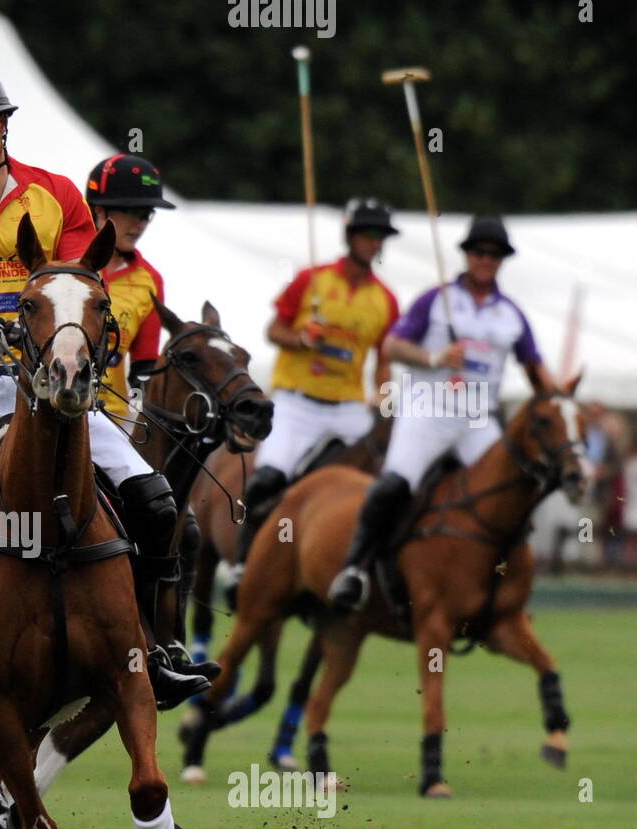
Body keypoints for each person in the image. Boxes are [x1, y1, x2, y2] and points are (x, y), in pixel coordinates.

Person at [0, 65, 212, 709]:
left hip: (46, 390)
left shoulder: (56, 193)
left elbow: (84, 282)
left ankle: (158, 645)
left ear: (4, 125)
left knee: (154, 498)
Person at [329, 215, 559, 608]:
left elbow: (535, 368)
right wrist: (436, 356)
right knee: (394, 485)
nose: (486, 259)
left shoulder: (511, 315)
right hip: (426, 411)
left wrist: (562, 403)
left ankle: (504, 583)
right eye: (479, 252)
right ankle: (356, 568)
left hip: (477, 419)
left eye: (495, 254)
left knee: (512, 488)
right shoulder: (435, 301)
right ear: (467, 255)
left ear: (502, 260)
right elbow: (394, 348)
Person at [226, 197, 400, 604]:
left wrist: (382, 392)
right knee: (268, 478)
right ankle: (241, 564)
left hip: (348, 408)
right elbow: (273, 330)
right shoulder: (312, 280)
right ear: (351, 236)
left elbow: (383, 361)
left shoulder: (386, 300)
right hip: (298, 404)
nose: (374, 243)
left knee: (386, 483)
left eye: (380, 236)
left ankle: (359, 570)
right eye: (367, 234)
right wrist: (302, 337)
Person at [83, 154, 173, 430]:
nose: (142, 223)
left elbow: (144, 367)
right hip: (48, 410)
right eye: (134, 212)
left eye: (147, 214)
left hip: (109, 418)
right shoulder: (60, 263)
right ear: (99, 210)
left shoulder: (150, 280)